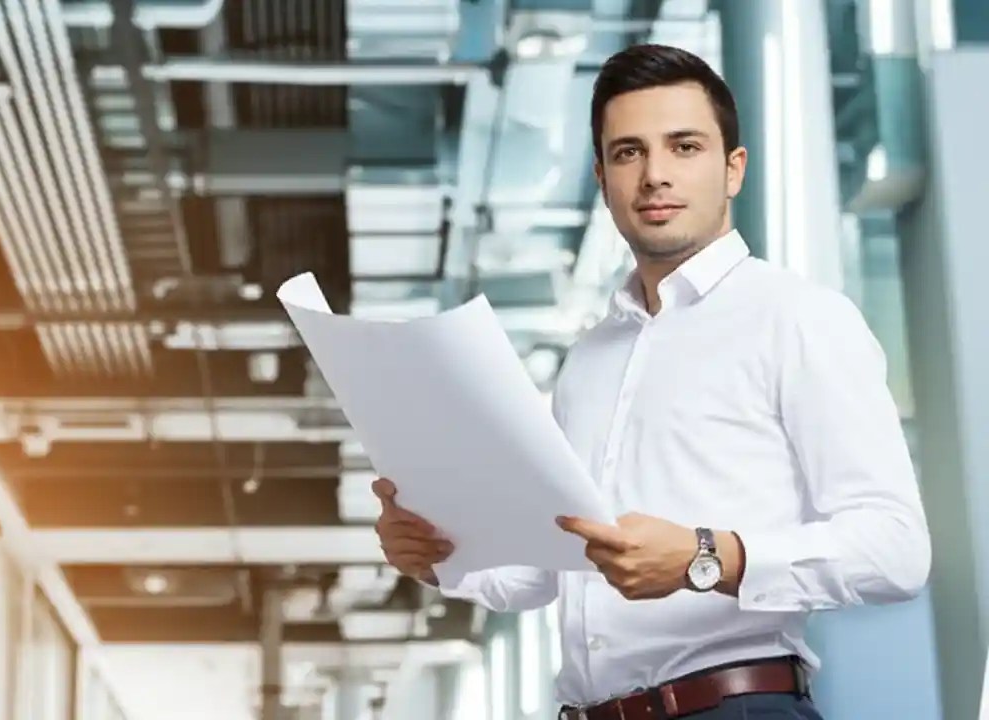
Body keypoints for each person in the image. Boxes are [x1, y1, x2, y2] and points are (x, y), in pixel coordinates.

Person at [371, 43, 931, 720]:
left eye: (684, 147)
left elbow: (895, 550)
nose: (654, 175)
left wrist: (707, 557)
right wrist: (439, 554)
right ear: (603, 178)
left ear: (733, 170)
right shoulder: (591, 360)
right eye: (628, 152)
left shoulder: (798, 318)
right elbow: (550, 567)